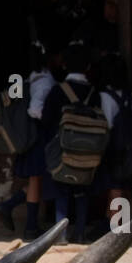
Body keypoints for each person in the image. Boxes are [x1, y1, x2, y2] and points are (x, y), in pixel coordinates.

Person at [0, 37, 57, 236]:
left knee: (36, 179)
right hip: (38, 135)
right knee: (38, 178)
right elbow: (34, 110)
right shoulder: (45, 81)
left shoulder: (27, 79)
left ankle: (10, 208)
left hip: (27, 135)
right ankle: (30, 225)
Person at [39, 41, 99, 243]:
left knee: (61, 190)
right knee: (82, 191)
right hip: (89, 152)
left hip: (62, 151)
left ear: (64, 65)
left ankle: (60, 234)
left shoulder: (57, 91)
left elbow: (46, 118)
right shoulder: (94, 93)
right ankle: (80, 232)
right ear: (88, 67)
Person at [92, 52, 132, 239]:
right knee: (124, 186)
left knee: (114, 188)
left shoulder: (105, 97)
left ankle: (113, 229)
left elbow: (107, 123)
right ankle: (116, 223)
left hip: (114, 146)